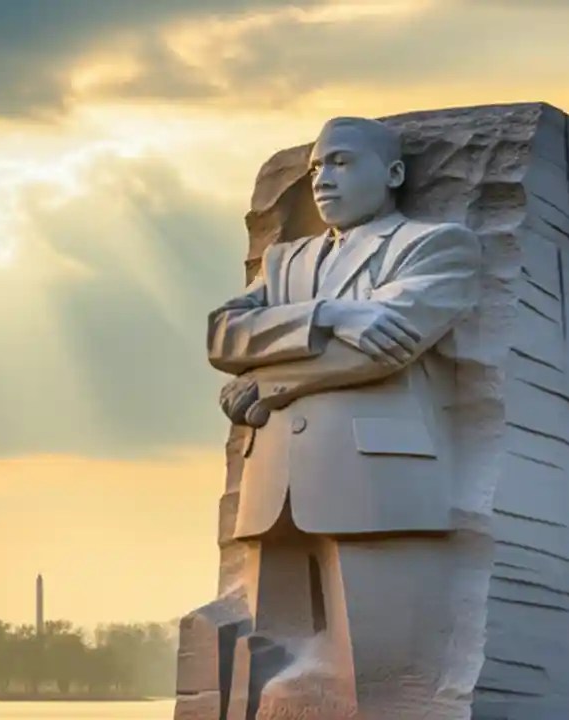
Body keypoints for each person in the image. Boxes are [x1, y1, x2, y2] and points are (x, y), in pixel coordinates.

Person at [206, 116, 482, 718]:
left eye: (340, 162)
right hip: (272, 487)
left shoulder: (434, 246)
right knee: (276, 690)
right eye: (313, 169)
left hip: (374, 487)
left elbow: (388, 348)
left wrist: (266, 382)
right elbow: (223, 334)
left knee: (384, 687)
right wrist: (330, 314)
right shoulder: (284, 263)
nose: (322, 179)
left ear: (393, 173)